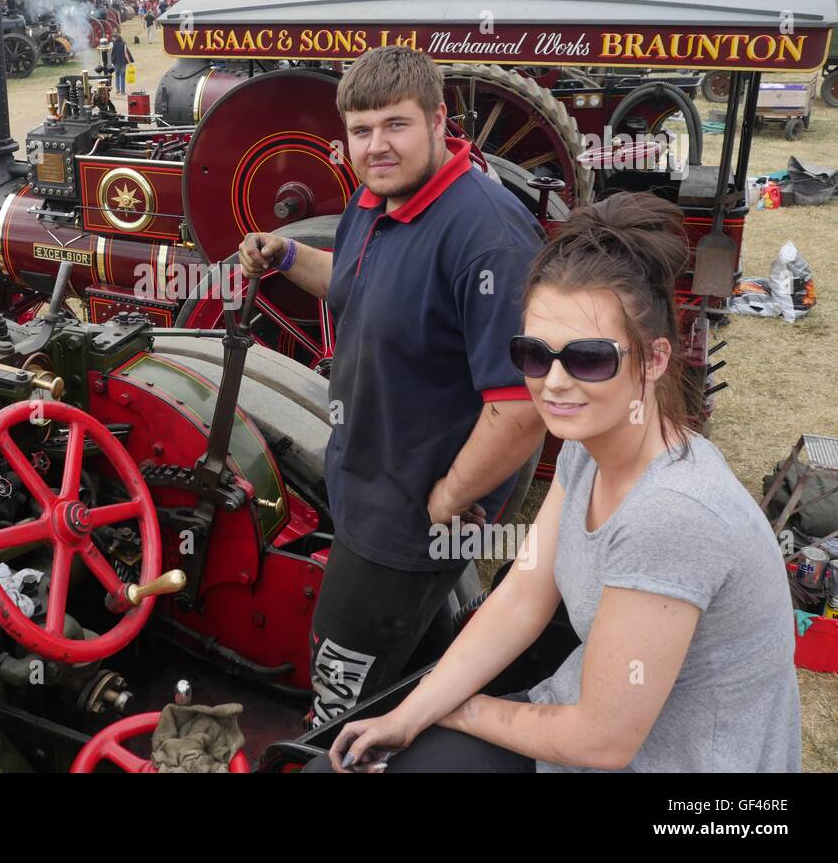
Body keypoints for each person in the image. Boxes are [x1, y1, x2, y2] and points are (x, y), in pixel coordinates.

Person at [313, 192, 801, 773]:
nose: (555, 383)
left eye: (590, 358)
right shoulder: (587, 449)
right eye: (534, 354)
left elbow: (601, 742)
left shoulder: (671, 515)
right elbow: (523, 595)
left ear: (654, 360)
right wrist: (410, 713)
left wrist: (461, 713)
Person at [238, 46, 545, 726]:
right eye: (361, 130)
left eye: (396, 125)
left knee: (339, 684)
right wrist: (286, 253)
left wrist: (446, 499)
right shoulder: (377, 198)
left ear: (439, 120)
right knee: (410, 664)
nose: (377, 145)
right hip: (371, 482)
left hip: (411, 516)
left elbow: (523, 408)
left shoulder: (487, 236)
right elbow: (354, 284)